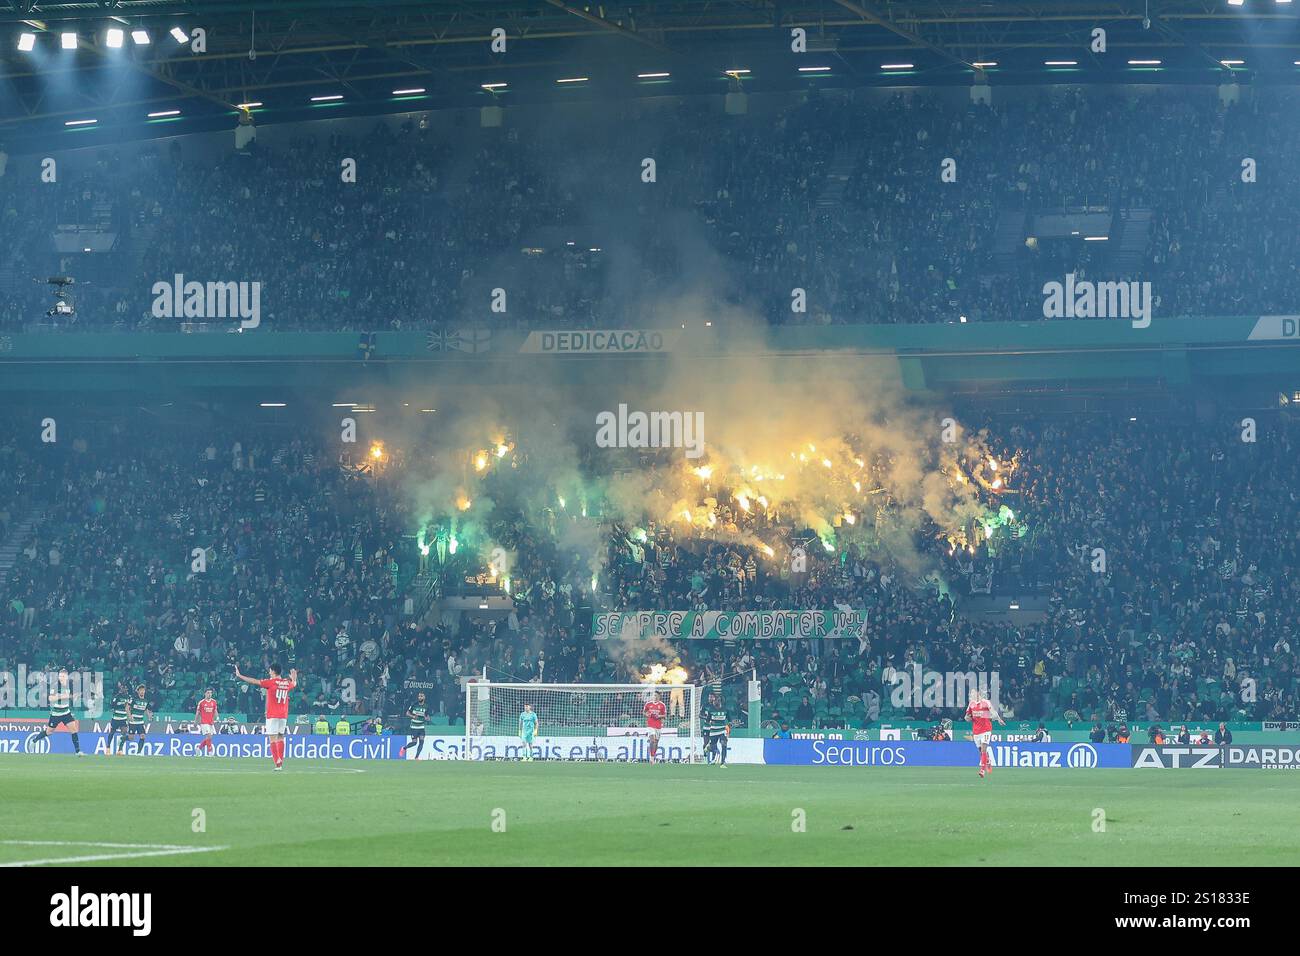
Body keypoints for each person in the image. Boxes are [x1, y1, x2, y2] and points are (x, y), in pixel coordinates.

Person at [234, 661, 298, 771]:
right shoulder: (286, 683)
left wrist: (240, 676)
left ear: (273, 671)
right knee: (281, 737)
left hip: (272, 714)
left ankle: (277, 763)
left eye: (269, 671)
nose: (269, 672)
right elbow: (294, 684)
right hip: (283, 715)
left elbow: (254, 681)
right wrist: (294, 678)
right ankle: (280, 761)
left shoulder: (271, 682)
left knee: (272, 738)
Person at [31, 669, 83, 756]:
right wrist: (62, 696)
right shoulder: (55, 686)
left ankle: (78, 751)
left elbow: (72, 696)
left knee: (74, 730)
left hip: (66, 712)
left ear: (66, 677)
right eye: (59, 676)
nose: (60, 678)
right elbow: (51, 699)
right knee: (49, 732)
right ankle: (34, 740)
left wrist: (75, 697)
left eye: (62, 676)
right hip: (56, 713)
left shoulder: (70, 684)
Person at [964, 688, 1005, 779]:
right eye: (971, 694)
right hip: (976, 731)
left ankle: (982, 770)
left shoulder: (986, 702)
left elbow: (993, 712)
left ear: (978, 693)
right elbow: (967, 716)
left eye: (973, 693)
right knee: (981, 751)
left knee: (983, 749)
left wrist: (999, 719)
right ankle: (988, 760)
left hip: (986, 729)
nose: (971, 695)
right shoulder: (971, 704)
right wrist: (967, 718)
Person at [105, 680, 133, 756]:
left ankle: (120, 750)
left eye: (123, 688)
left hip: (123, 718)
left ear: (126, 689)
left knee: (124, 733)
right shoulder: (117, 696)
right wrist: (120, 705)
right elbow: (112, 706)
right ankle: (108, 748)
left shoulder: (129, 697)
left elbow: (129, 706)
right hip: (116, 718)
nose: (122, 689)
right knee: (112, 732)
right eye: (121, 688)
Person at [702, 693, 729, 767]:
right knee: (713, 747)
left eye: (715, 701)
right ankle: (708, 747)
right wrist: (711, 722)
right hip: (713, 731)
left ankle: (723, 763)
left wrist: (730, 725)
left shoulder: (725, 709)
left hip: (722, 731)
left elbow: (729, 719)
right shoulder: (711, 710)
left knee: (724, 744)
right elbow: (707, 720)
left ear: (719, 701)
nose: (714, 702)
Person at [400, 691, 429, 759]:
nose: (420, 697)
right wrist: (413, 716)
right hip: (414, 727)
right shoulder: (414, 704)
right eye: (419, 696)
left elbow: (427, 716)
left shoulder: (426, 706)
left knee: (421, 741)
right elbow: (407, 713)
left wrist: (427, 718)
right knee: (414, 742)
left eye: (421, 696)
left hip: (421, 726)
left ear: (424, 697)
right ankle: (404, 748)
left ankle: (416, 757)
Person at [642, 690, 666, 764]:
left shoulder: (662, 705)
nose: (654, 697)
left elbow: (664, 715)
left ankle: (653, 756)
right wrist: (647, 715)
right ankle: (651, 758)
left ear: (659, 696)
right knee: (652, 740)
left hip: (658, 726)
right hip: (650, 725)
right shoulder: (648, 704)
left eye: (656, 695)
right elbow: (644, 712)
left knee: (656, 742)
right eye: (654, 695)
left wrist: (659, 716)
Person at [194, 688, 218, 756]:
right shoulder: (201, 702)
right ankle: (210, 752)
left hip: (211, 722)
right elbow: (198, 712)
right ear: (205, 693)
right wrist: (195, 721)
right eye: (208, 693)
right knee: (209, 736)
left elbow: (215, 710)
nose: (209, 694)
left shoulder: (214, 702)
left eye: (210, 693)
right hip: (204, 722)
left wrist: (217, 718)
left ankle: (198, 748)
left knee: (209, 738)